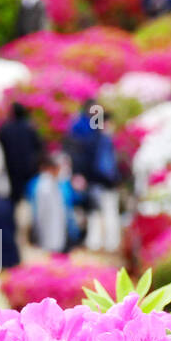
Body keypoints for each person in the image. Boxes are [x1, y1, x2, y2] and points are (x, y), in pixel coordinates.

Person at [64, 101, 121, 251]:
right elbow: (107, 166)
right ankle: (111, 244)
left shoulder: (87, 139)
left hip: (92, 182)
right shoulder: (104, 140)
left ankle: (93, 243)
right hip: (105, 183)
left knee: (94, 214)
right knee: (110, 213)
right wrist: (113, 180)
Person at [0, 102, 41, 203]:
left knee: (14, 199)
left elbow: (0, 147)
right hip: (29, 168)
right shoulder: (30, 128)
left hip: (12, 168)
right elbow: (39, 147)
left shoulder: (6, 129)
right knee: (29, 197)